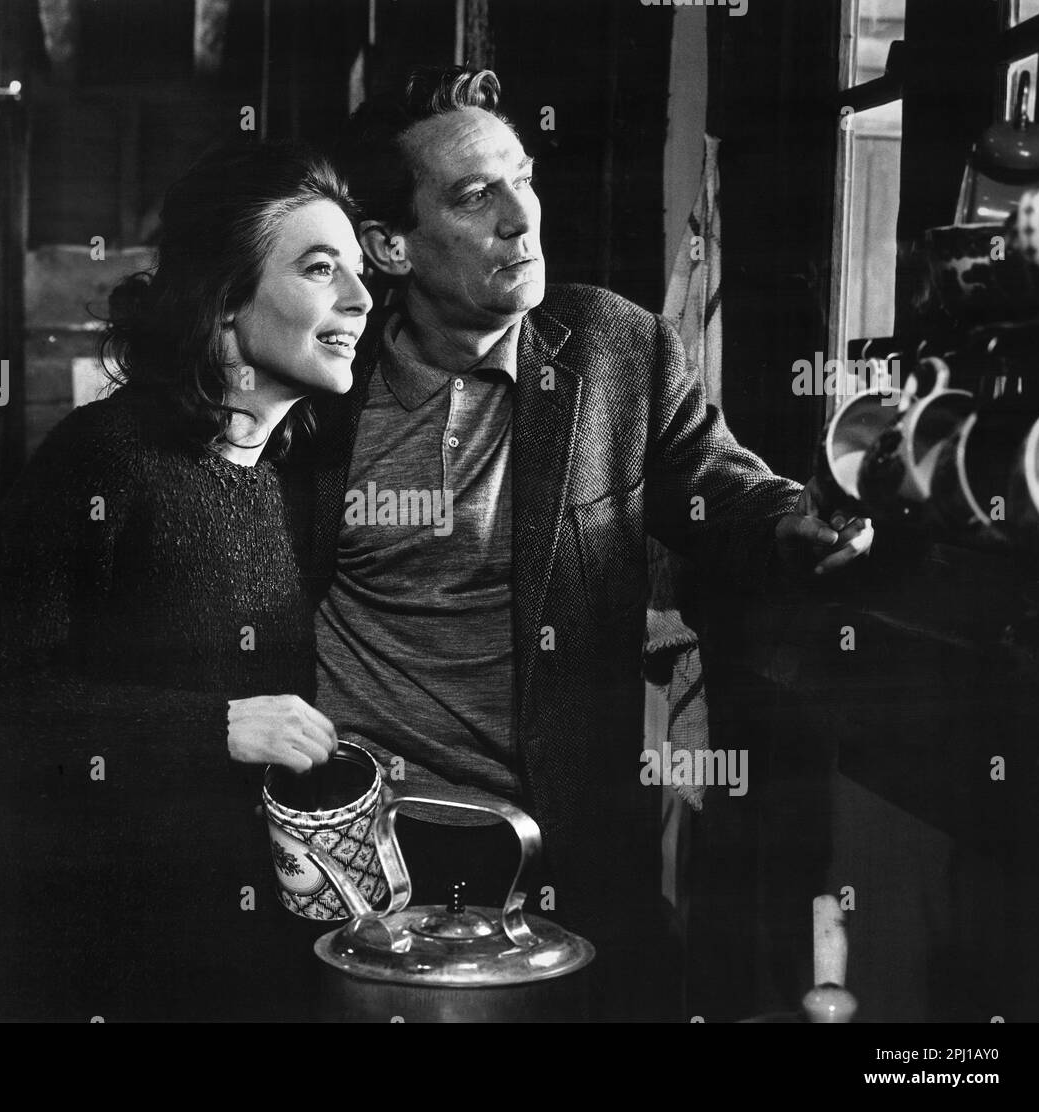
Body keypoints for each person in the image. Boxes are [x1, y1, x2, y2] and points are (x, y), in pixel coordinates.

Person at [295, 66, 873, 1021]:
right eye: (476, 196)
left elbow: (717, 490)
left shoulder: (614, 347)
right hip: (366, 854)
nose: (523, 217)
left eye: (523, 176)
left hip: (558, 844)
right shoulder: (323, 382)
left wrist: (793, 522)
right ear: (388, 246)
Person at [0, 142, 371, 1021]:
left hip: (227, 939)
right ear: (224, 302)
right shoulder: (102, 456)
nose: (360, 302)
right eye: (322, 269)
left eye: (360, 272)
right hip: (93, 947)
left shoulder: (286, 478)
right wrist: (216, 726)